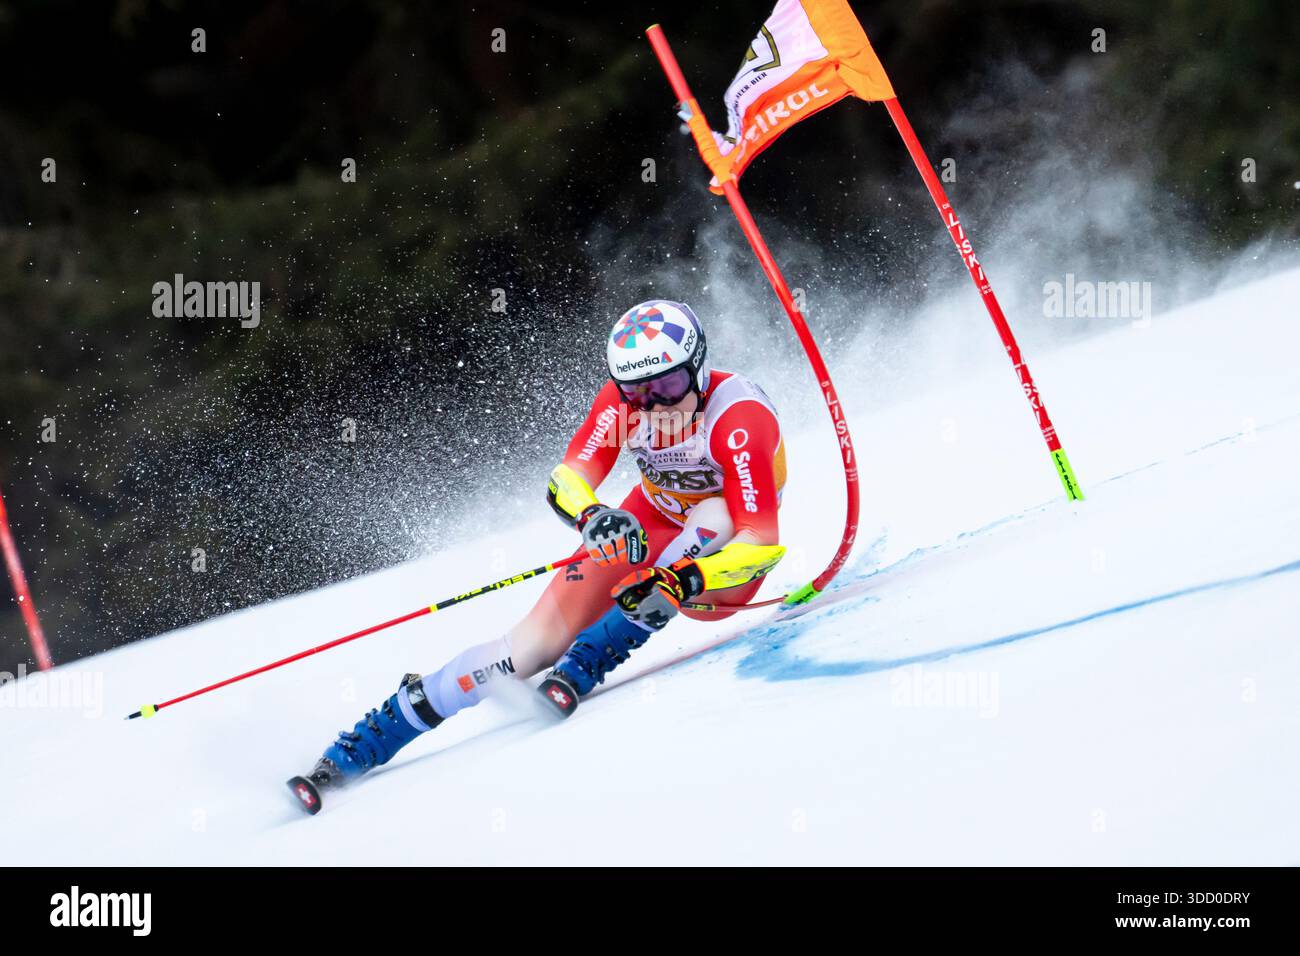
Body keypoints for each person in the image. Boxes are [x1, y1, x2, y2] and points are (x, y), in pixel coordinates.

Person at [292, 300, 787, 803]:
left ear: (698, 367)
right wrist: (592, 516)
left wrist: (683, 578)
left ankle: (592, 656)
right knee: (528, 648)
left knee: (714, 517)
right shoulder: (621, 409)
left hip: (720, 574)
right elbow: (568, 477)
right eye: (637, 392)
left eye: (668, 387)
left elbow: (760, 544)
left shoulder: (738, 420)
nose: (654, 406)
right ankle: (370, 739)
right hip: (653, 523)